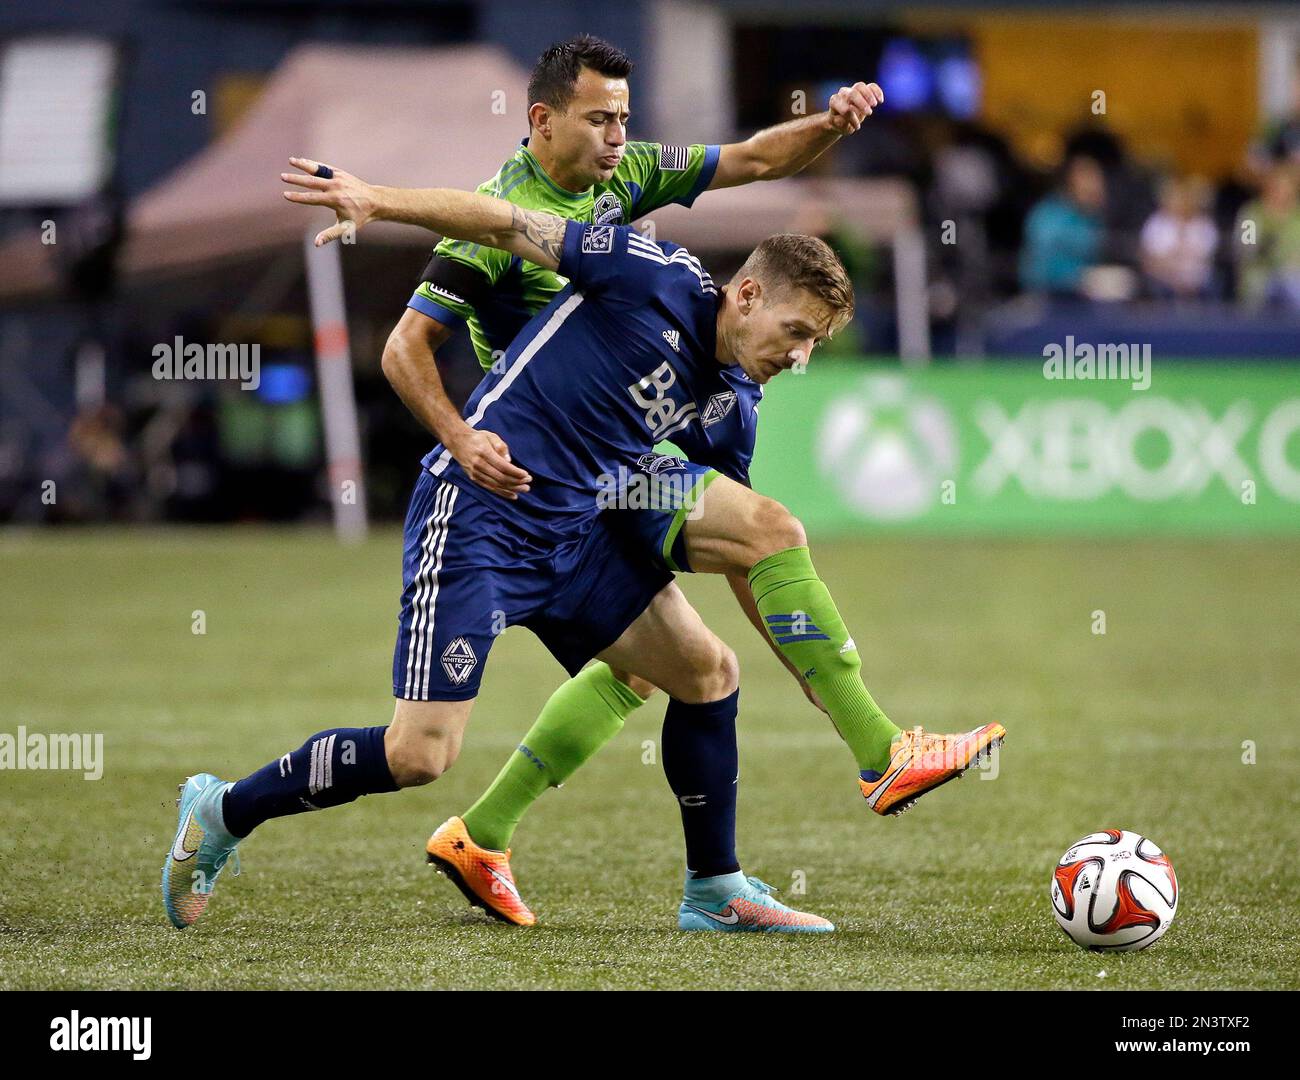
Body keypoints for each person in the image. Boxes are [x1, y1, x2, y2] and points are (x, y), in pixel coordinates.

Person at [1019, 155, 1105, 296]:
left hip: (1081, 299)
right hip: (1046, 297)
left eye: (1098, 180)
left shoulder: (1091, 218)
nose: (1096, 186)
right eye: (1088, 179)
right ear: (1070, 183)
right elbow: (1039, 265)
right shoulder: (1048, 216)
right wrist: (1079, 279)